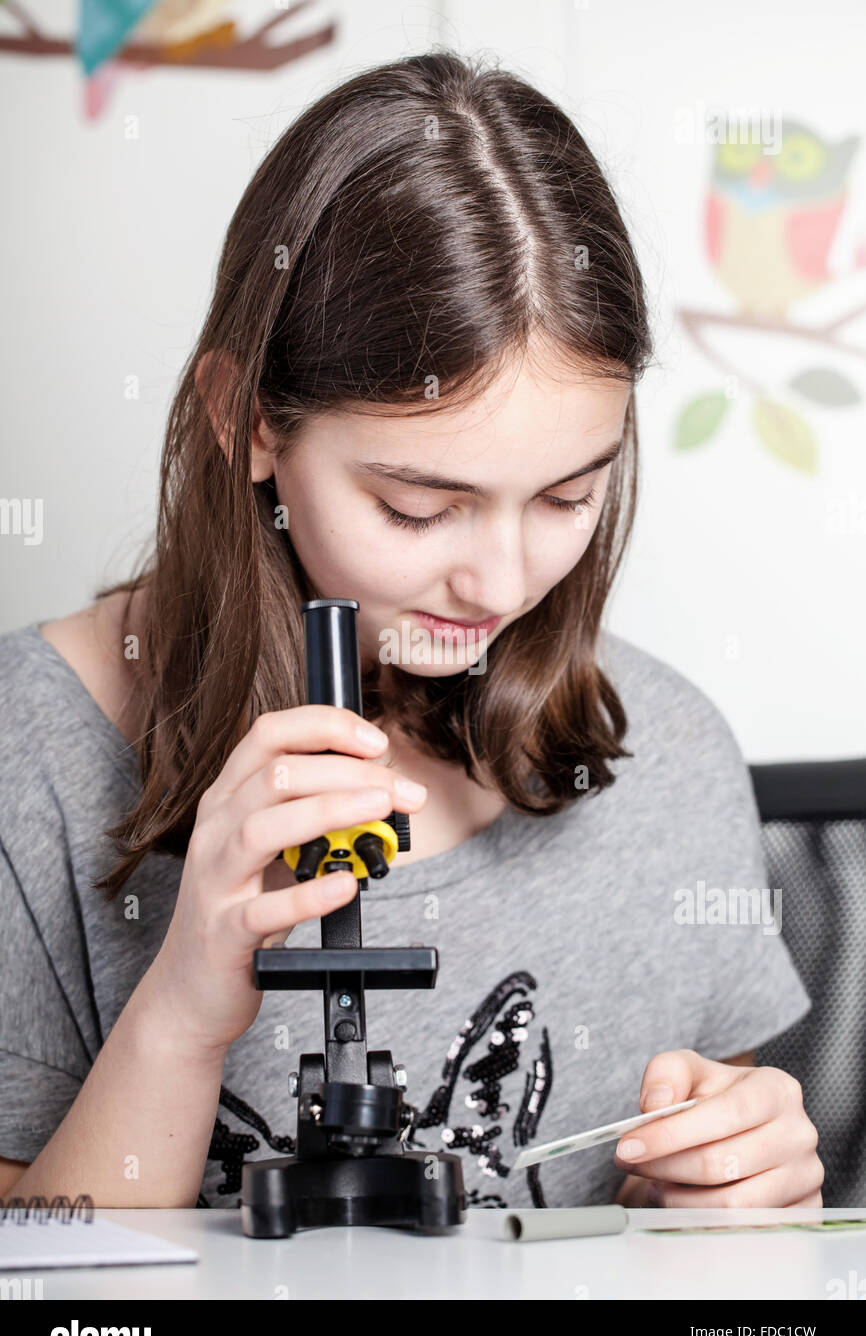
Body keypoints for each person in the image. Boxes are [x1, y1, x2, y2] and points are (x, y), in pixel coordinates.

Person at [0, 51, 821, 1213]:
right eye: (417, 507)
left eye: (567, 496)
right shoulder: (25, 755)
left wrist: (729, 1195)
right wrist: (182, 1008)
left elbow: (701, 1232)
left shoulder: (669, 753)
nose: (498, 581)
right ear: (244, 421)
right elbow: (50, 1314)